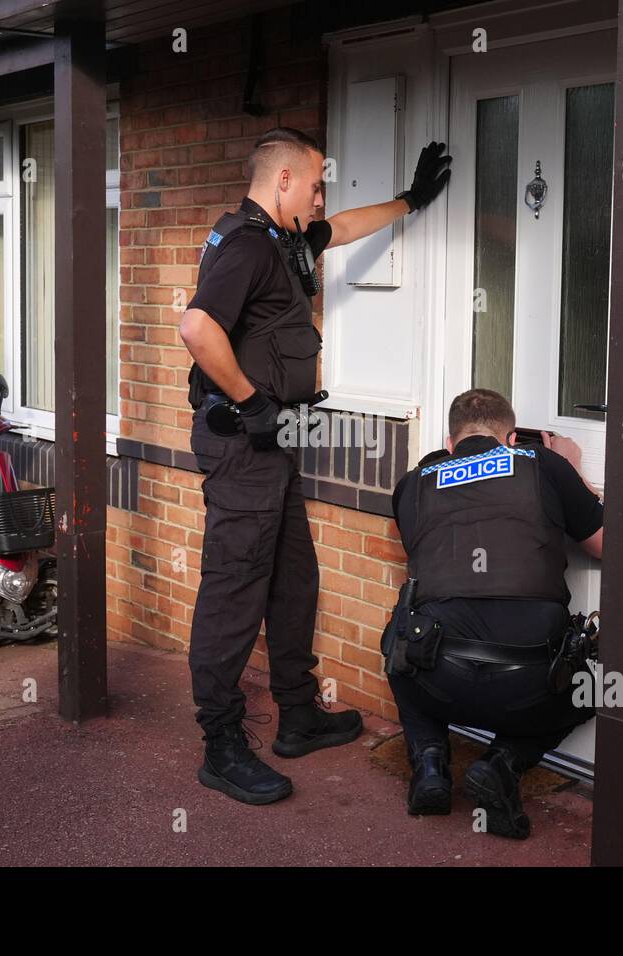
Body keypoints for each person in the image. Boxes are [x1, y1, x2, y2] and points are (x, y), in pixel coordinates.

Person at [178, 127, 452, 804]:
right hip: (245, 443)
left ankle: (298, 713)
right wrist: (250, 403)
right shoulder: (246, 245)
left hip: (273, 446)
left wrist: (410, 201)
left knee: (294, 580)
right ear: (283, 183)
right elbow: (197, 328)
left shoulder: (281, 239)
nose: (323, 193)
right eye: (316, 181)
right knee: (234, 593)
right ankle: (221, 745)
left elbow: (345, 226)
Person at [386, 388, 604, 838]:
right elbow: (607, 545)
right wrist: (571, 471)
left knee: (402, 646)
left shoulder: (418, 479)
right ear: (510, 439)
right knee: (588, 690)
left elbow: (412, 538)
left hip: (437, 674)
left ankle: (429, 765)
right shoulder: (543, 466)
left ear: (451, 443)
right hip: (528, 680)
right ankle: (502, 764)